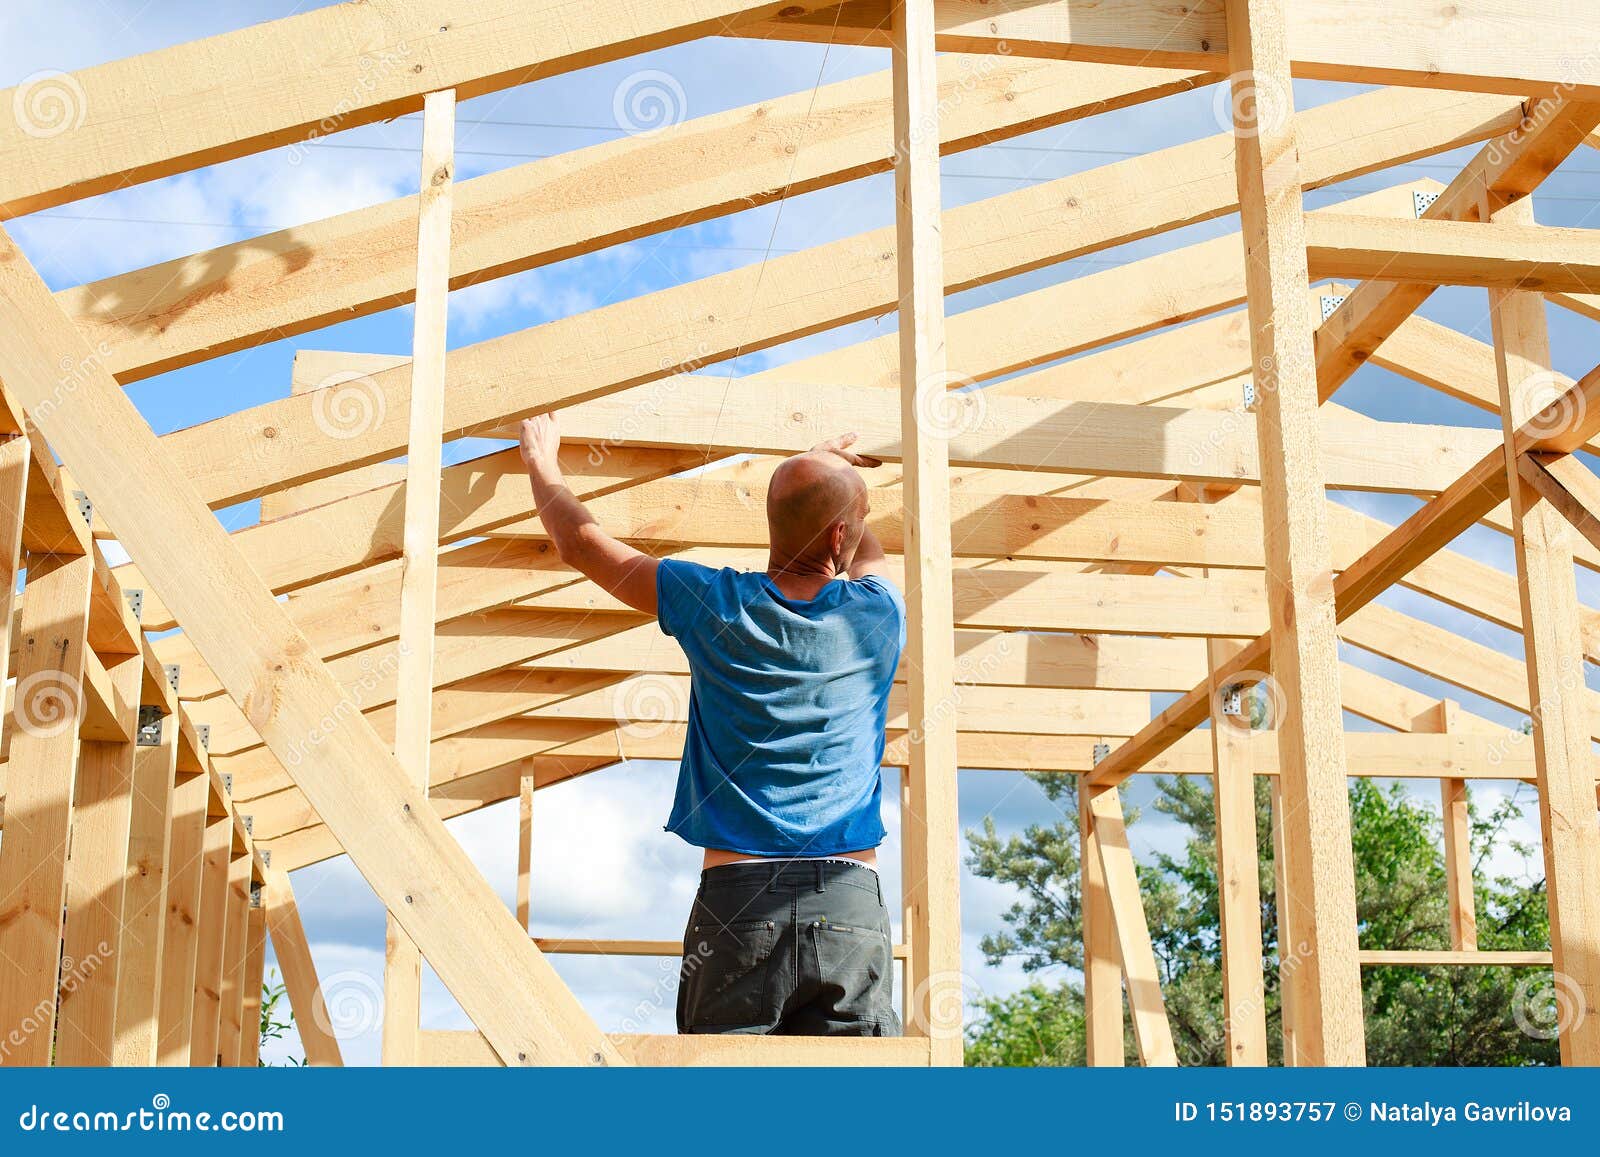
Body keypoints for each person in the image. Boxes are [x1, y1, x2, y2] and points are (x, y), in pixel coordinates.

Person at [519, 414, 905, 1036]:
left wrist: (542, 465)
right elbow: (865, 552)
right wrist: (827, 478)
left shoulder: (711, 602)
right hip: (849, 898)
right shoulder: (880, 616)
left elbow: (583, 546)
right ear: (840, 539)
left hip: (738, 898)